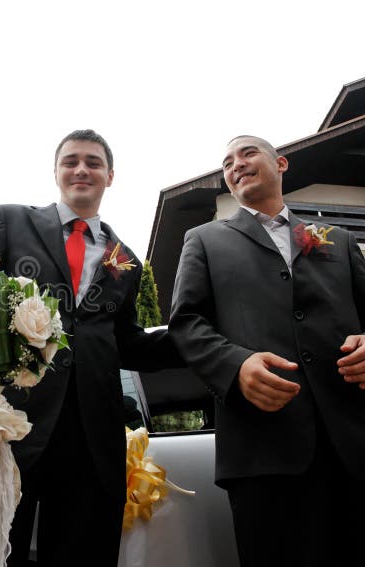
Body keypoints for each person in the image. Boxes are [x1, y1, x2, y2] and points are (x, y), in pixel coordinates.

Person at [0, 129, 183, 565]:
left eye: (93, 162)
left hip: (93, 437)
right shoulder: (8, 221)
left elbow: (127, 343)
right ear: (56, 172)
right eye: (71, 160)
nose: (82, 169)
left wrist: (193, 335)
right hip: (6, 426)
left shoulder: (126, 259)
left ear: (109, 176)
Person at [169, 135, 365, 567]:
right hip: (263, 451)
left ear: (281, 163)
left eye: (247, 153)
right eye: (227, 162)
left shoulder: (339, 240)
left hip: (352, 445)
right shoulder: (203, 240)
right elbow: (186, 323)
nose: (236, 164)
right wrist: (235, 366)